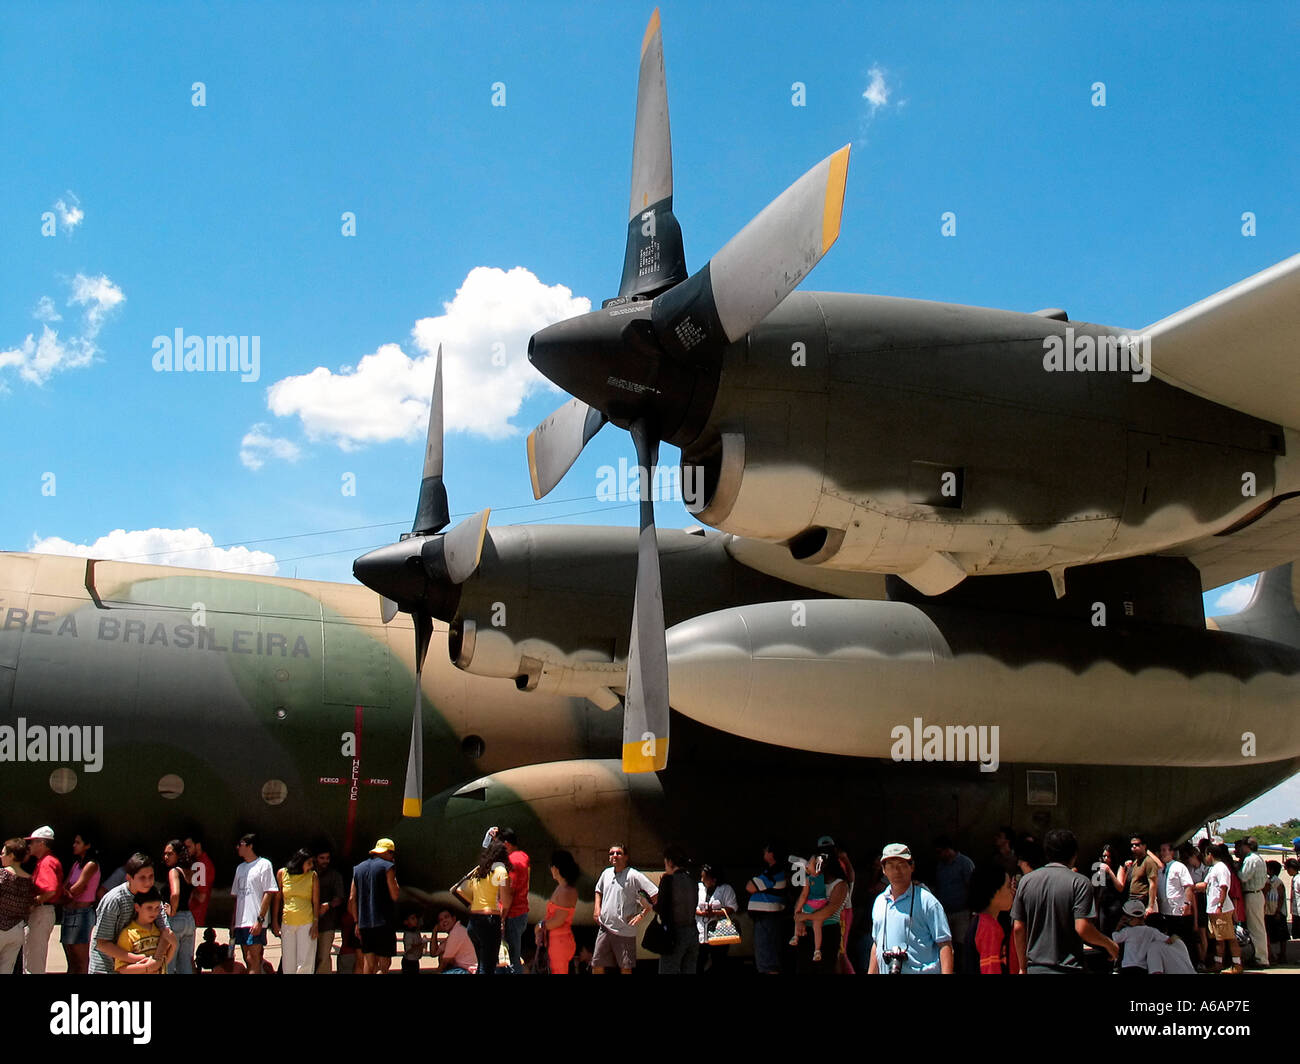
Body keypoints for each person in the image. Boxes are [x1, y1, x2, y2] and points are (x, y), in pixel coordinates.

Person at [1011, 828, 1118, 974]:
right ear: (1074, 854)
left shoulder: (1026, 882)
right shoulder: (1080, 883)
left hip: (1035, 969)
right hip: (1069, 969)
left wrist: (1023, 967)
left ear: (1047, 853)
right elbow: (1083, 928)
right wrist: (1109, 945)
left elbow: (1018, 928)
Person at [867, 843, 951, 974]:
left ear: (912, 867)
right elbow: (876, 945)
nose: (896, 871)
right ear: (883, 870)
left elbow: (945, 944)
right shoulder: (879, 902)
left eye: (901, 865)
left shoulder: (927, 901)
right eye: (891, 866)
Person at [89, 853, 177, 975]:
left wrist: (156, 960)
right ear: (129, 878)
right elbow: (102, 943)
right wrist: (140, 959)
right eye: (142, 878)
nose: (148, 882)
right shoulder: (114, 900)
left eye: (151, 876)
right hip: (106, 967)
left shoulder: (153, 895)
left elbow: (165, 931)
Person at [592, 843, 656, 974]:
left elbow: (654, 894)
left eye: (618, 853)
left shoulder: (634, 875)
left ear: (626, 857)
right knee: (597, 964)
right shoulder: (606, 873)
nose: (614, 856)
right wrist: (597, 909)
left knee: (625, 968)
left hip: (624, 931)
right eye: (611, 853)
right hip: (605, 928)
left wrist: (642, 914)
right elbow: (598, 890)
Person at [453, 839, 510, 975]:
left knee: (482, 965)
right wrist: (502, 916)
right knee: (488, 967)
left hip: (473, 922)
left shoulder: (480, 871)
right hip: (489, 921)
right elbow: (506, 900)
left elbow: (464, 891)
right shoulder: (500, 870)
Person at [350, 838, 400, 974]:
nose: (392, 857)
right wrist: (394, 877)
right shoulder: (388, 867)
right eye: (392, 854)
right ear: (387, 852)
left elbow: (351, 898)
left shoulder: (357, 869)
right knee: (385, 963)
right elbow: (395, 895)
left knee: (369, 962)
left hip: (364, 924)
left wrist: (356, 922)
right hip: (384, 923)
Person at [231, 833, 277, 975]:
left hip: (255, 922)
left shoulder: (264, 865)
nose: (238, 847)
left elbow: (268, 893)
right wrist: (233, 922)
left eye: (241, 844)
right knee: (246, 958)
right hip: (241, 922)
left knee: (253, 958)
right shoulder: (240, 868)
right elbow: (237, 897)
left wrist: (260, 919)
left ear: (250, 846)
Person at [1113, 898, 1195, 974]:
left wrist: (1118, 926)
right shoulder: (1178, 942)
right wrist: (1176, 937)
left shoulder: (1153, 948)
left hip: (1127, 966)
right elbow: (1167, 939)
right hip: (1142, 968)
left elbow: (1115, 938)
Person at [964, 862, 1017, 974]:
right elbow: (990, 969)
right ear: (994, 893)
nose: (1012, 892)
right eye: (1008, 887)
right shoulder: (989, 929)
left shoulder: (981, 922)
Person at [23, 825, 63, 974]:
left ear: (42, 843)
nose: (30, 845)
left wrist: (34, 902)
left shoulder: (47, 862)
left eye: (33, 842)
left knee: (34, 960)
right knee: (32, 957)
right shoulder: (45, 861)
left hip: (42, 912)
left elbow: (51, 890)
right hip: (43, 912)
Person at [60, 832, 100, 974]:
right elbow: (65, 887)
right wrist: (67, 892)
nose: (74, 845)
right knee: (70, 959)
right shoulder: (77, 864)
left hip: (82, 914)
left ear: (87, 845)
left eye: (78, 842)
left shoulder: (91, 865)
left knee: (82, 961)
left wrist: (68, 892)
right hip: (68, 913)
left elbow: (77, 888)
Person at [745, 843, 788, 975]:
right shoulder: (772, 870)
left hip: (768, 919)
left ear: (772, 854)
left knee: (768, 959)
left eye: (766, 850)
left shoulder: (774, 871)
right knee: (766, 957)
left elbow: (750, 887)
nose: (764, 852)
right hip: (766, 919)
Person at [655, 845, 698, 974]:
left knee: (668, 969)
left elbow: (662, 908)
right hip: (692, 932)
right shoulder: (693, 881)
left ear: (670, 862)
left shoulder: (668, 880)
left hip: (675, 934)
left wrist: (649, 904)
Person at [275, 847, 319, 974]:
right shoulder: (282, 873)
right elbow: (278, 898)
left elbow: (316, 901)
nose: (311, 866)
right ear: (300, 862)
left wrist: (315, 923)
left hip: (306, 923)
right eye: (309, 863)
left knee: (304, 963)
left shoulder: (312, 876)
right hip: (287, 922)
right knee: (288, 963)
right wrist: (275, 922)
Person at [535, 849, 578, 975]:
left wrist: (539, 926)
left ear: (556, 868)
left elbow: (558, 920)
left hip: (559, 943)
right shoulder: (561, 888)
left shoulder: (565, 891)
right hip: (555, 941)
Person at [934, 836, 975, 964]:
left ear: (948, 850)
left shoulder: (965, 863)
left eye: (940, 852)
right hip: (945, 912)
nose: (939, 855)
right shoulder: (940, 865)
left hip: (961, 912)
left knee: (962, 944)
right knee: (946, 944)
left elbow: (972, 887)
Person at [1154, 841, 1197, 962]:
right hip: (1166, 911)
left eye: (1164, 850)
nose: (1162, 853)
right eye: (1160, 851)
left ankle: (1190, 964)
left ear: (1171, 852)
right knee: (1170, 940)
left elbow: (1188, 886)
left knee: (1184, 940)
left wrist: (1187, 904)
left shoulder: (1179, 867)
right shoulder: (1160, 869)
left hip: (1179, 911)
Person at [497, 827, 530, 975]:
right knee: (513, 956)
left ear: (506, 844)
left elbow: (508, 894)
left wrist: (502, 918)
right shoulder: (524, 856)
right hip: (522, 912)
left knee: (511, 959)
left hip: (512, 915)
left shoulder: (511, 862)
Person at [1204, 843, 1242, 973]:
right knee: (1219, 939)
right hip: (1213, 910)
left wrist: (1220, 905)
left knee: (1230, 938)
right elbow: (1205, 884)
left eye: (1206, 855)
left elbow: (1224, 887)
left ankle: (1237, 965)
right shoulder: (1213, 869)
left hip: (1221, 909)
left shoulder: (1221, 868)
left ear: (1210, 854)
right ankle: (1218, 963)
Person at [0, 839, 35, 975]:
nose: (1, 856)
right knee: (7, 969)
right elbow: (29, 906)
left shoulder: (2, 875)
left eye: (3, 853)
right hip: (16, 930)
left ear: (12, 856)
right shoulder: (28, 880)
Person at [114, 887, 168, 973]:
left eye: (157, 908)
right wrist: (146, 968)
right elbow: (121, 968)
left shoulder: (159, 932)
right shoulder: (128, 934)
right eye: (149, 908)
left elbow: (166, 959)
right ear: (137, 907)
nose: (154, 912)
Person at [160, 839, 195, 974]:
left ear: (178, 855)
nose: (166, 857)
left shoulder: (174, 871)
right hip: (189, 919)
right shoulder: (189, 871)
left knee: (169, 962)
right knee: (185, 962)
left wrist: (172, 910)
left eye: (170, 854)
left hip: (175, 919)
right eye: (165, 854)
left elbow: (175, 894)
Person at [696, 862, 737, 974]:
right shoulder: (699, 888)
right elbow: (691, 906)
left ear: (714, 879)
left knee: (718, 962)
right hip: (700, 930)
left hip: (719, 932)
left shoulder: (726, 889)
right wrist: (701, 913)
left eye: (705, 878)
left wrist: (714, 913)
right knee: (699, 961)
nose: (702, 880)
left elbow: (732, 908)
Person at [1237, 836, 1269, 967]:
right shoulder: (1258, 858)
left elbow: (1243, 876)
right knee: (1258, 927)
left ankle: (1260, 958)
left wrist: (1236, 869)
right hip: (1257, 894)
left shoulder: (1251, 859)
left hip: (1252, 894)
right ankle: (1259, 956)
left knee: (1256, 928)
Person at [313, 845, 345, 973]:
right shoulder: (308, 874)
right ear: (315, 858)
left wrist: (328, 905)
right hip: (307, 922)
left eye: (327, 858)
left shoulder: (334, 875)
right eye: (322, 858)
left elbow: (339, 897)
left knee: (323, 957)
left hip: (327, 923)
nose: (325, 861)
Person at [1092, 841, 1128, 937]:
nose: (1106, 859)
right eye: (1104, 856)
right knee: (1103, 931)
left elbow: (1120, 887)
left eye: (1108, 856)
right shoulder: (1099, 868)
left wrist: (1110, 872)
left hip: (1114, 905)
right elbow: (1096, 890)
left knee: (1114, 932)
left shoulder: (1118, 868)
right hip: (1103, 905)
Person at [1124, 833, 1162, 917]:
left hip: (1142, 900)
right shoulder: (1135, 862)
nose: (1134, 847)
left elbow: (1153, 884)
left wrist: (1150, 906)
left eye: (1137, 844)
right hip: (1132, 900)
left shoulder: (1148, 861)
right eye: (1132, 845)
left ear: (1144, 846)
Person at [183, 834, 215, 930]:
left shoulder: (200, 865)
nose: (186, 851)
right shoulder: (197, 862)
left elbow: (201, 896)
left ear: (198, 845)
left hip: (194, 916)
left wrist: (188, 887)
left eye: (188, 847)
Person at [433, 909, 477, 974]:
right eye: (441, 920)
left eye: (446, 917)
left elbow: (445, 961)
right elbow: (434, 953)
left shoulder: (456, 932)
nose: (444, 921)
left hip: (468, 970)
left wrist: (437, 972)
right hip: (462, 969)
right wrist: (434, 931)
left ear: (453, 919)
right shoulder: (454, 933)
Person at [1264, 860, 1287, 965]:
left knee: (1281, 935)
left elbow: (1281, 897)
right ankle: (1272, 954)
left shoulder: (1277, 882)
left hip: (1277, 912)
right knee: (1270, 933)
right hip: (1269, 911)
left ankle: (1282, 954)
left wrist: (1278, 911)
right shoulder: (1268, 881)